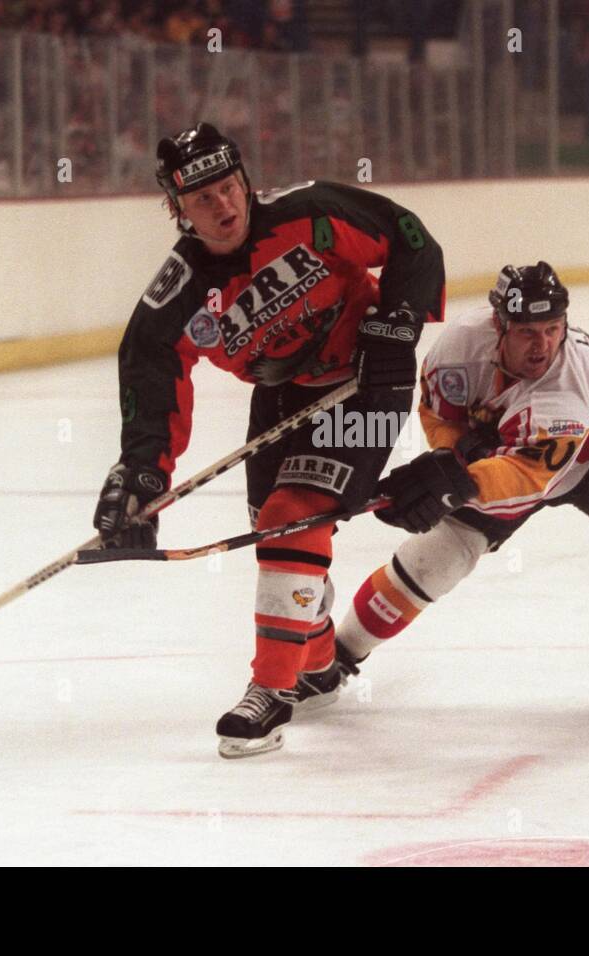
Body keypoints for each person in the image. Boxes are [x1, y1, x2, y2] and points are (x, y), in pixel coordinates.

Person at [93, 123, 444, 758]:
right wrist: (144, 474)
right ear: (177, 210)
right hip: (281, 397)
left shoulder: (311, 213)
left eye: (229, 188)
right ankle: (315, 668)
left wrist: (397, 321)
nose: (224, 206)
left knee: (289, 520)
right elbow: (150, 367)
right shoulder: (179, 290)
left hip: (365, 382)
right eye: (203, 200)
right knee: (274, 534)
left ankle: (270, 692)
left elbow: (410, 238)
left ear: (245, 180)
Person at [320, 262, 589, 711]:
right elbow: (439, 413)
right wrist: (450, 457)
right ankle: (338, 657)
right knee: (435, 557)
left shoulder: (571, 382)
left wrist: (454, 481)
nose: (543, 344)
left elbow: (527, 479)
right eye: (528, 331)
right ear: (500, 326)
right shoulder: (459, 347)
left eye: (553, 328)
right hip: (512, 454)